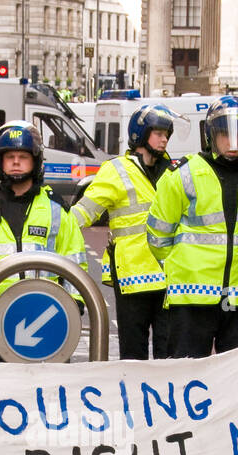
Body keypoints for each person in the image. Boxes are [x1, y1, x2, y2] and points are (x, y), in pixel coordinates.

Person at [0, 120, 88, 363]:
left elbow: (75, 262)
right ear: (0, 162)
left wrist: (74, 303)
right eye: (9, 156)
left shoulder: (56, 209)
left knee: (45, 397)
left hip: (47, 321)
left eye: (23, 156)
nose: (16, 162)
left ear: (36, 160)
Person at [146, 95, 238, 358]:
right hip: (192, 297)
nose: (233, 143)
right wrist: (183, 268)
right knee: (187, 379)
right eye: (226, 135)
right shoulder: (182, 174)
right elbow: (158, 235)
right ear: (212, 136)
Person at [71, 103, 175, 359]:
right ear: (140, 134)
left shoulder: (174, 171)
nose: (164, 139)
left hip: (169, 274)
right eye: (158, 133)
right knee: (133, 354)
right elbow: (84, 211)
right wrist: (58, 226)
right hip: (133, 276)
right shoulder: (116, 170)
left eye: (166, 134)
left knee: (168, 352)